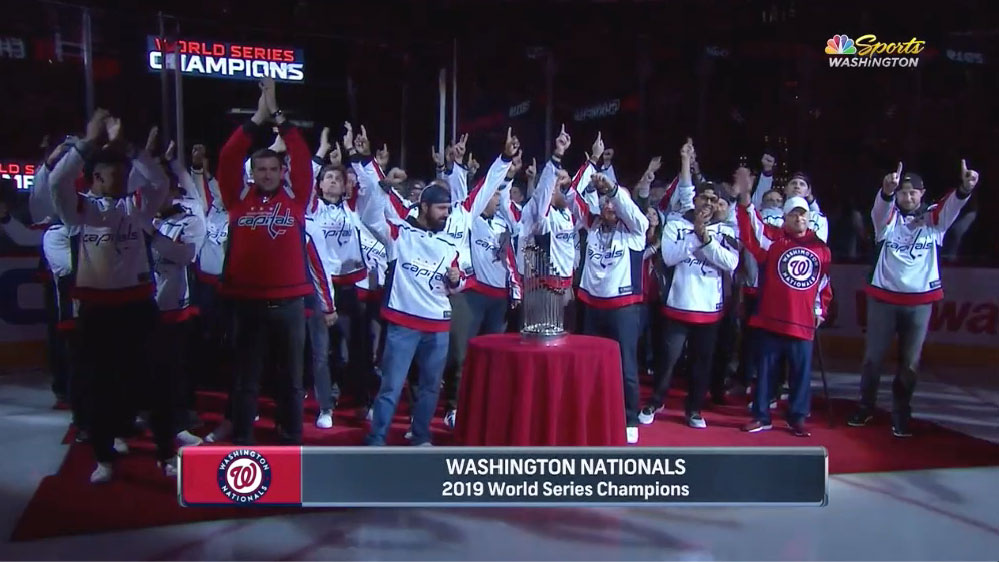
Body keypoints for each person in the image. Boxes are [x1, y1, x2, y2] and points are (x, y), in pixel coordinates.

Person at [354, 125, 515, 446]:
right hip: (403, 323)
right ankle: (377, 439)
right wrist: (369, 164)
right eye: (441, 208)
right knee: (391, 386)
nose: (447, 213)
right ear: (424, 207)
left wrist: (505, 159)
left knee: (430, 387)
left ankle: (421, 436)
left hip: (438, 324)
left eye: (448, 208)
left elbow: (484, 188)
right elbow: (370, 216)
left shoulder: (454, 231)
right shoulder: (400, 233)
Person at [49, 111, 170, 482]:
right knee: (98, 387)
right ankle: (104, 457)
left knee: (154, 381)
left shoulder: (137, 207)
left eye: (123, 174)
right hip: (97, 310)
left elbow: (159, 181)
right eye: (112, 175)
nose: (120, 180)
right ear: (96, 178)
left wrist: (127, 147)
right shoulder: (80, 211)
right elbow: (57, 181)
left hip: (137, 305)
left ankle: (166, 453)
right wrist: (89, 143)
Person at [847, 161, 980, 437]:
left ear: (922, 194)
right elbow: (880, 209)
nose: (907, 197)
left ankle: (901, 413)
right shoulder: (887, 222)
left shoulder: (935, 221)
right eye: (903, 193)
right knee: (873, 358)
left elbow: (952, 206)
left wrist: (965, 189)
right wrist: (887, 191)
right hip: (884, 298)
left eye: (912, 193)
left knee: (909, 363)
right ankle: (866, 406)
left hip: (919, 302)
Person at [216, 78, 314, 446]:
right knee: (246, 379)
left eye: (273, 169)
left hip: (290, 304)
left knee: (291, 380)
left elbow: (301, 155)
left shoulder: (296, 199)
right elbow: (227, 157)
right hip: (248, 304)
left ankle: (290, 440)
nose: (268, 174)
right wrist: (257, 120)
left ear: (282, 172)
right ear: (253, 173)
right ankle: (244, 439)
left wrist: (279, 118)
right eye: (261, 170)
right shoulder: (237, 200)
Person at [639, 142, 738, 430]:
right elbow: (670, 256)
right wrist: (696, 235)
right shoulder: (676, 223)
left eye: (713, 199)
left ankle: (693, 409)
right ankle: (655, 401)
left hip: (709, 311)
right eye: (703, 197)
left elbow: (730, 262)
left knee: (701, 363)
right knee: (667, 361)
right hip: (678, 305)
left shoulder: (727, 229)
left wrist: (705, 238)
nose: (708, 202)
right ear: (694, 200)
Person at [735, 168, 832, 437]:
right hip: (772, 318)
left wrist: (820, 310)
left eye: (802, 214)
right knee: (766, 371)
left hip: (802, 321)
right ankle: (761, 415)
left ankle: (797, 417)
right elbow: (751, 228)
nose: (799, 218)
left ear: (808, 218)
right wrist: (745, 197)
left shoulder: (821, 249)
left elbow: (823, 284)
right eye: (793, 214)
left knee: (800, 374)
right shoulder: (773, 240)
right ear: (785, 217)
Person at [575, 135, 650, 444]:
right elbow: (575, 194)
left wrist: (613, 190)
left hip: (624, 308)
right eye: (605, 201)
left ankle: (630, 417)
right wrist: (592, 162)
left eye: (613, 202)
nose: (608, 206)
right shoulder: (591, 225)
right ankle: (591, 411)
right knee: (590, 363)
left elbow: (634, 214)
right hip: (592, 305)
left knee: (626, 366)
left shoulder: (635, 232)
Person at [148, 151, 208, 470]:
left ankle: (176, 426)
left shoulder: (189, 217)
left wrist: (175, 164)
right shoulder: (134, 215)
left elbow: (185, 255)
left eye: (162, 188)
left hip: (172, 310)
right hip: (136, 307)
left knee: (173, 373)